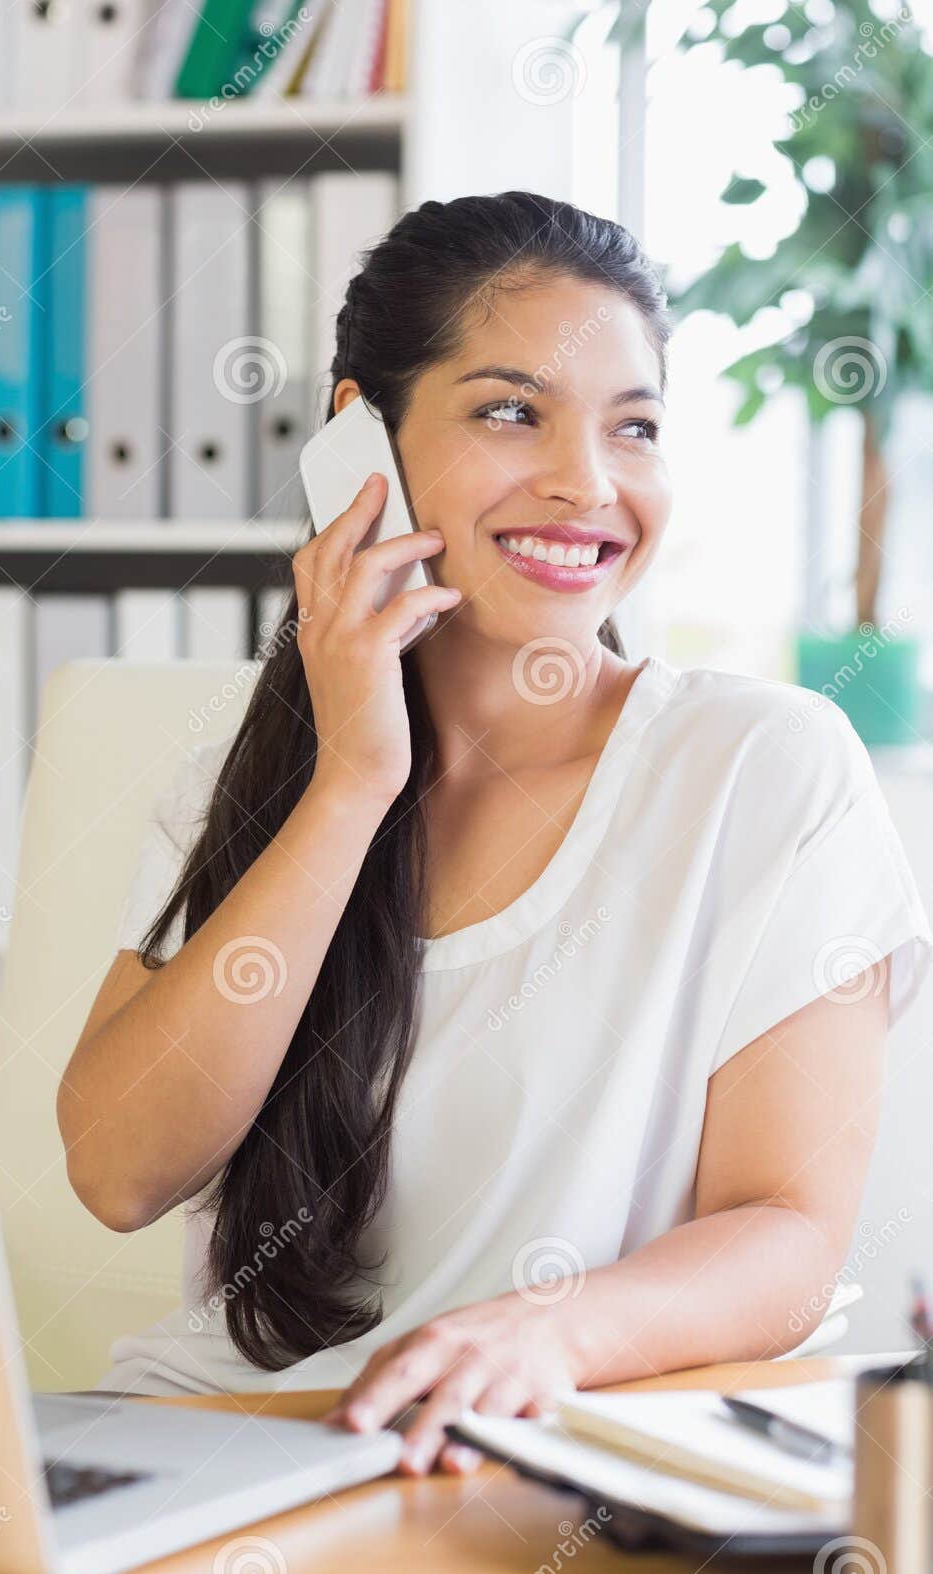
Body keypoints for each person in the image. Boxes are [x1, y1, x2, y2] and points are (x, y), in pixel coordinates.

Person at [57, 190, 932, 1476]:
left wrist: (544, 1333)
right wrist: (351, 785)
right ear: (359, 440)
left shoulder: (761, 768)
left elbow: (789, 1232)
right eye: (510, 411)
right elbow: (119, 1172)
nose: (587, 483)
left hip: (508, 1458)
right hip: (201, 1448)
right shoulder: (236, 786)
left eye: (633, 428)